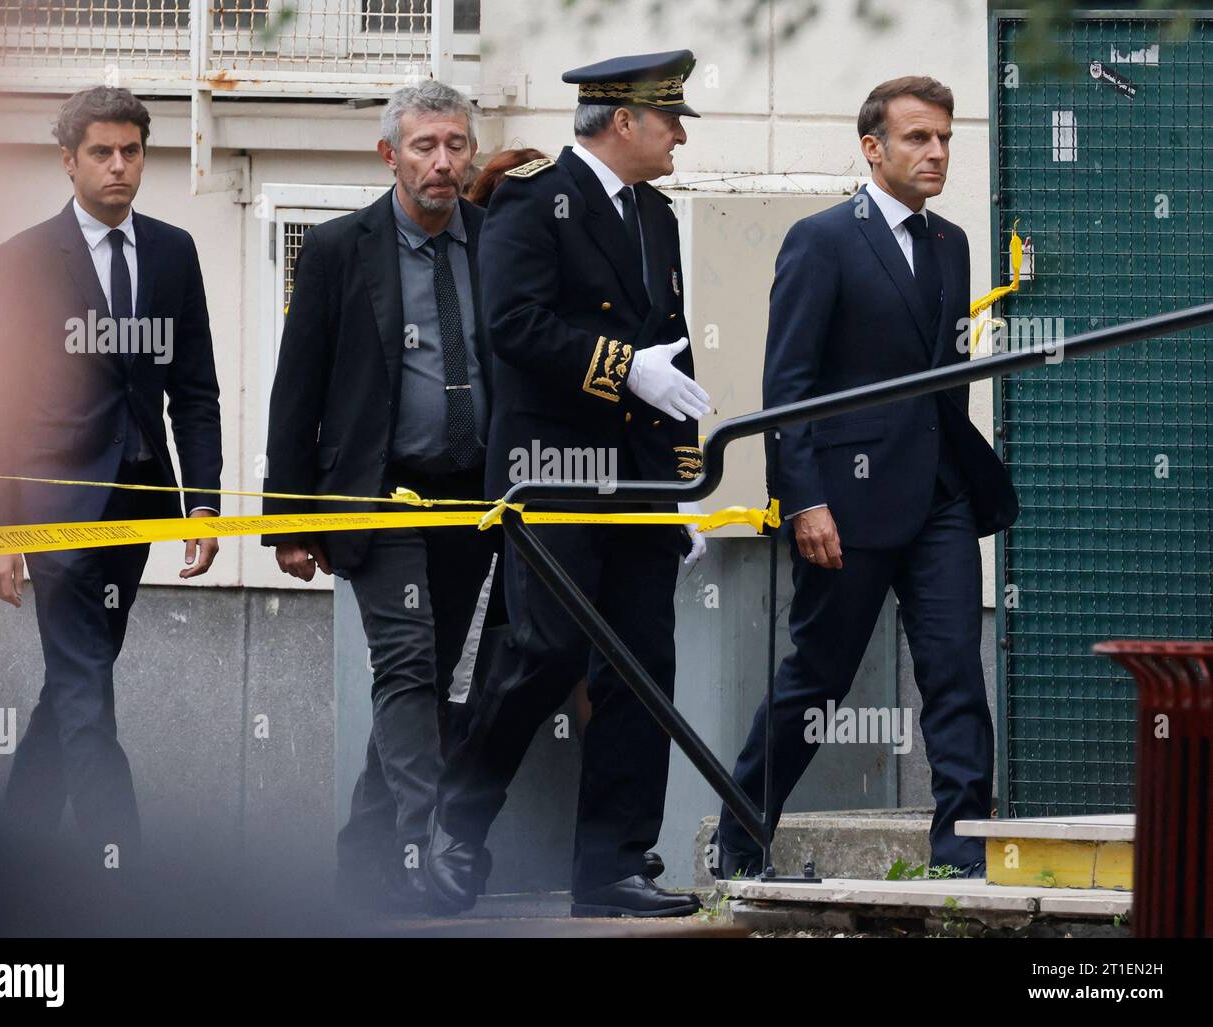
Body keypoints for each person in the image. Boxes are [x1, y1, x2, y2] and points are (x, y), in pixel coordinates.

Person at [425, 50, 710, 918]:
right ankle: (458, 820)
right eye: (670, 119)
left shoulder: (654, 215)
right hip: (551, 471)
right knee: (546, 649)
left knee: (640, 665)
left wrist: (686, 481)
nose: (680, 135)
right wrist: (622, 369)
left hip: (636, 480)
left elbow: (675, 349)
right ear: (622, 122)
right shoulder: (531, 200)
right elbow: (513, 327)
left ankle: (614, 865)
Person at [716, 76, 1018, 880]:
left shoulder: (952, 241)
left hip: (941, 498)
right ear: (873, 147)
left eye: (946, 138)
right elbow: (788, 385)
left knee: (956, 671)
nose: (938, 152)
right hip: (845, 507)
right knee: (817, 681)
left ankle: (961, 860)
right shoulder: (822, 239)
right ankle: (740, 837)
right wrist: (805, 498)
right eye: (919, 138)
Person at [0, 86, 223, 868]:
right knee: (84, 684)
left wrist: (205, 502)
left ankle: (14, 847)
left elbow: (196, 389)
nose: (120, 166)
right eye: (103, 153)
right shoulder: (24, 258)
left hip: (139, 497)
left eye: (132, 151)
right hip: (53, 502)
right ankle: (121, 866)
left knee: (77, 676)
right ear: (68, 161)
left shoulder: (175, 251)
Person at [261, 81, 495, 912]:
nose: (442, 161)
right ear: (389, 154)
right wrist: (286, 520)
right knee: (406, 664)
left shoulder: (493, 240)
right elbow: (299, 389)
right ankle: (411, 847)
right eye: (425, 145)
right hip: (379, 496)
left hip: (475, 498)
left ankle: (360, 859)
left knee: (430, 682)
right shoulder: (336, 249)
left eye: (456, 146)